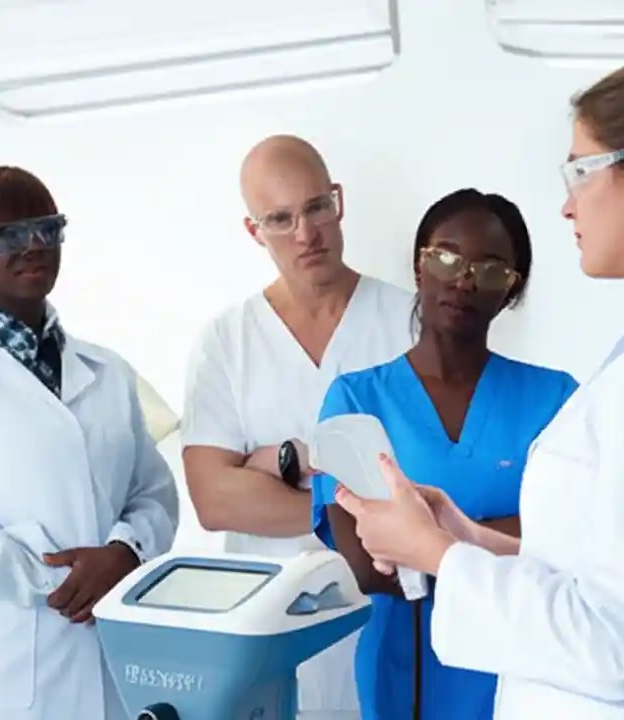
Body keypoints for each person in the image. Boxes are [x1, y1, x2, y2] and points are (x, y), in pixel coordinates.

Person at [336, 57, 624, 720]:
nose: (565, 204)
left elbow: (616, 644)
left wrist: (434, 553)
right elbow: (622, 575)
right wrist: (472, 540)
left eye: (579, 172)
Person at [0, 165, 178, 719]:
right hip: (0, 671)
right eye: (8, 237)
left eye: (47, 229)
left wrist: (123, 553)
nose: (34, 246)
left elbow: (153, 494)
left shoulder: (108, 371)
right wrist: (64, 580)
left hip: (107, 660)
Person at [310, 189, 578, 719]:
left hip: (524, 667)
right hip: (404, 672)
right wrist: (508, 534)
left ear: (511, 290)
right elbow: (365, 563)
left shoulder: (558, 399)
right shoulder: (356, 400)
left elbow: (573, 547)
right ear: (420, 265)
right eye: (448, 257)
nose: (464, 279)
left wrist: (421, 536)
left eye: (492, 269)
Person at [181, 134, 414, 714]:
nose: (305, 234)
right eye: (280, 219)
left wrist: (273, 463)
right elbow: (213, 499)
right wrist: (362, 505)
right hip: (267, 628)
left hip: (387, 620)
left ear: (338, 201)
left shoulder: (409, 323)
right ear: (253, 230)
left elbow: (427, 482)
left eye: (316, 207)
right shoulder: (225, 341)